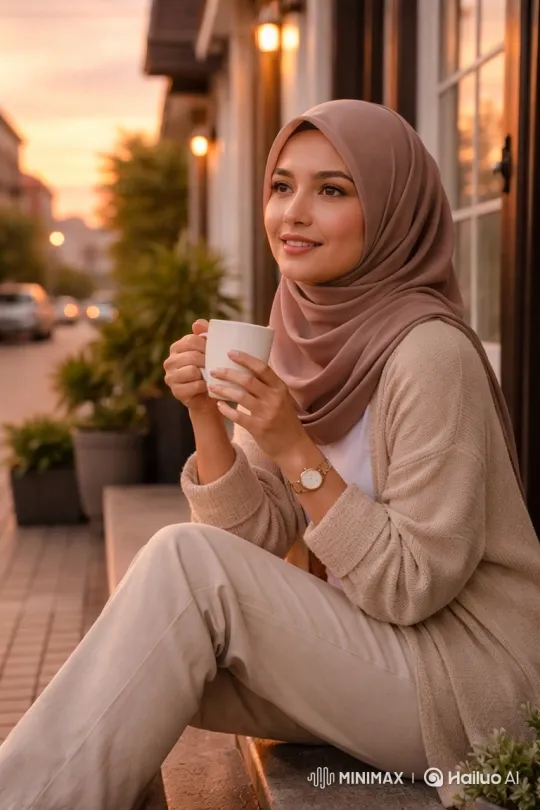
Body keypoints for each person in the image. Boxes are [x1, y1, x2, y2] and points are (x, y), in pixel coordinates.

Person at [1, 99, 540, 810]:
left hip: (464, 685)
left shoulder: (431, 354)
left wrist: (292, 444)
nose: (294, 213)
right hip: (373, 652)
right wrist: (207, 417)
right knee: (134, 675)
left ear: (393, 211)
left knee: (175, 576)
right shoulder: (301, 338)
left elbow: (411, 587)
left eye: (333, 190)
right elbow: (247, 544)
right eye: (282, 186)